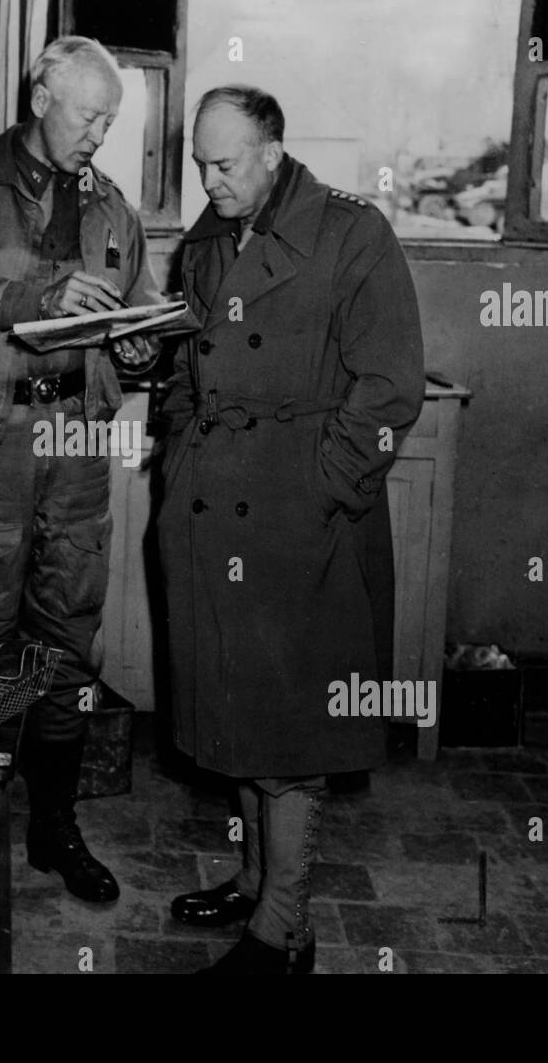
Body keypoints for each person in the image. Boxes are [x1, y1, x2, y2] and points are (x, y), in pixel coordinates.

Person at [157, 86, 424, 971]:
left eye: (225, 164)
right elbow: (187, 366)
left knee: (289, 729)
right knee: (233, 705)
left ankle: (285, 930)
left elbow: (390, 390)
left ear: (273, 152)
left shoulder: (353, 234)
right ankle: (252, 878)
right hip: (211, 508)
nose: (209, 179)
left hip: (296, 516)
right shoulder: (206, 240)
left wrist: (321, 487)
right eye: (199, 162)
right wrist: (180, 457)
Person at [0, 36, 160, 903]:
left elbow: (134, 310)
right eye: (89, 114)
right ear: (42, 94)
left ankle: (54, 827)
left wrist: (146, 339)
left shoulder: (113, 207)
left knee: (70, 643)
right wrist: (30, 300)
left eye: (112, 120)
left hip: (78, 442)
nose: (100, 133)